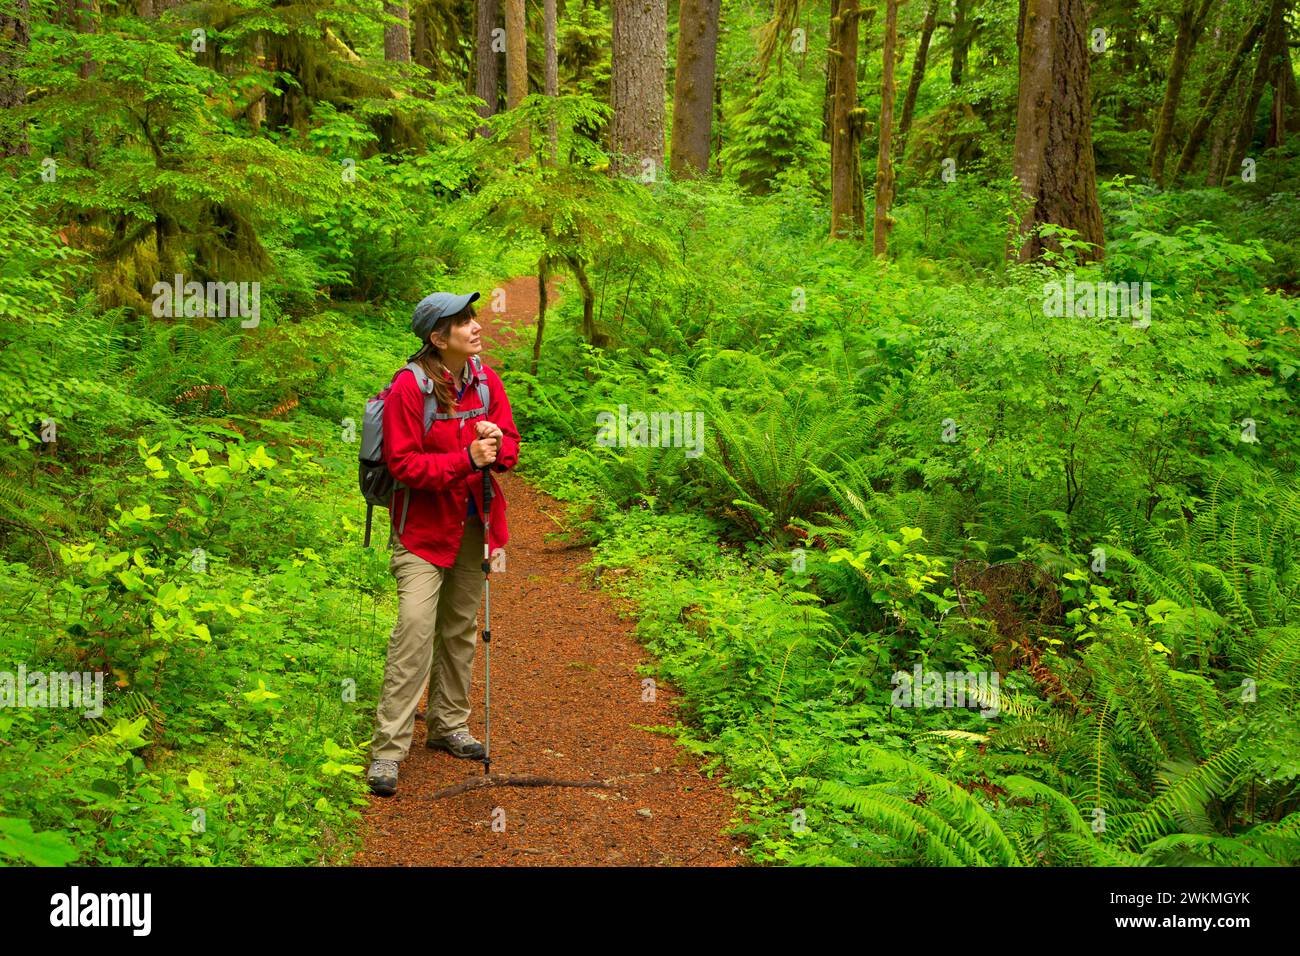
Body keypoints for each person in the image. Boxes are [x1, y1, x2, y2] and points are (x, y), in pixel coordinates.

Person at [366, 290, 520, 798]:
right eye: (462, 320)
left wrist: (495, 445)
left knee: (459, 628)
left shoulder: (485, 379)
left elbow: (512, 449)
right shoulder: (408, 390)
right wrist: (467, 458)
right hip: (421, 530)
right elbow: (403, 464)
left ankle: (448, 725)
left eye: (474, 316)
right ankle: (388, 750)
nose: (476, 325)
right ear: (437, 337)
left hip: (475, 523)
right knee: (414, 628)